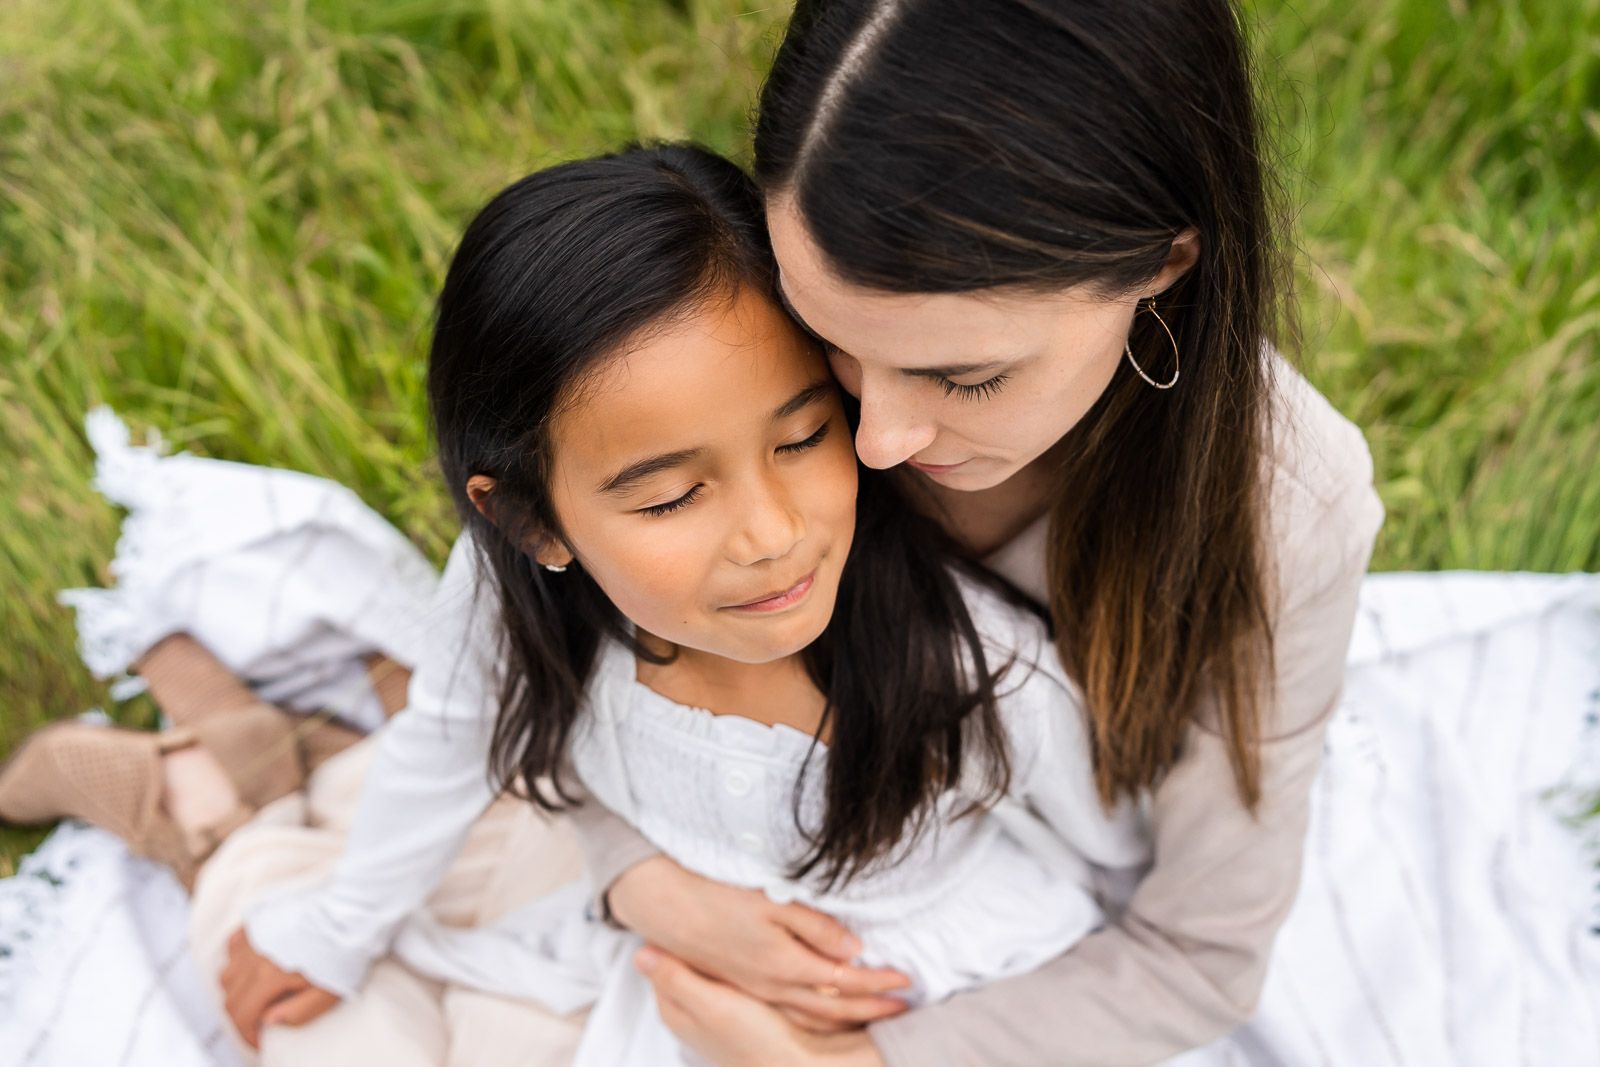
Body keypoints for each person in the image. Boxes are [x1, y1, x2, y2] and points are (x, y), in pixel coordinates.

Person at [193, 143, 1162, 1066]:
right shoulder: (519, 592)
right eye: (669, 496)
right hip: (675, 975)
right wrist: (331, 932)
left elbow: (1114, 873)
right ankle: (208, 775)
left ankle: (220, 766)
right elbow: (446, 741)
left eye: (802, 437)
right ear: (534, 522)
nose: (769, 532)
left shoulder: (975, 669)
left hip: (929, 1011)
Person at [558, 2, 1385, 1065]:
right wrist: (639, 876)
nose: (883, 437)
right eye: (832, 348)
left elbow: (1199, 950)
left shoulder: (1288, 511)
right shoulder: (749, 312)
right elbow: (559, 588)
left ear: (1164, 261)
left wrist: (856, 1063)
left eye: (966, 376)